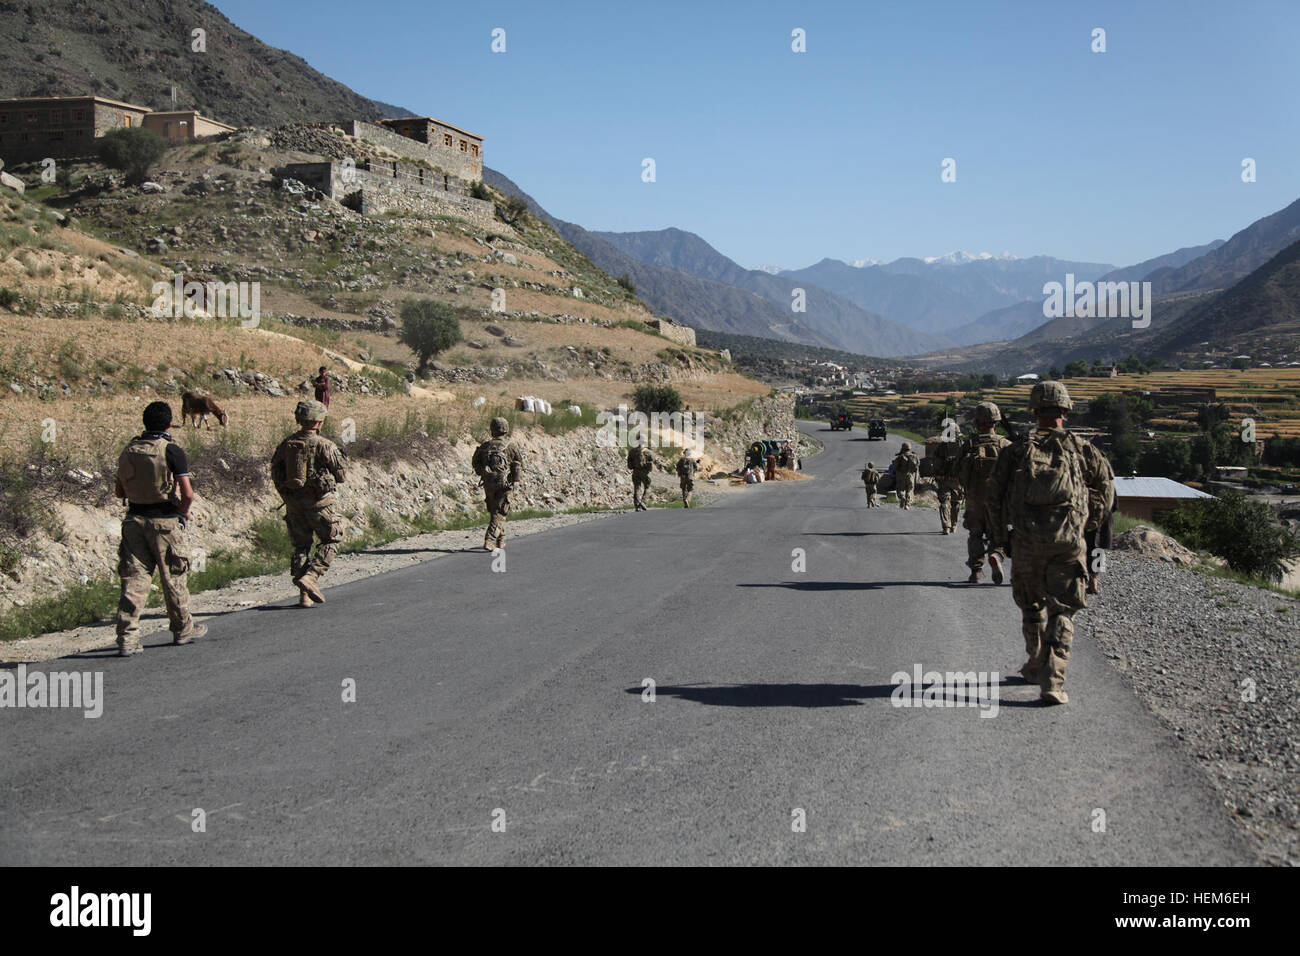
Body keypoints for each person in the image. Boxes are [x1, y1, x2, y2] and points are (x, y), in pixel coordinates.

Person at [987, 381, 1115, 705]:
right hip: (1068, 543)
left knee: (1031, 608)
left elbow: (994, 497)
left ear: (1034, 411)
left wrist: (1002, 540)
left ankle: (1034, 661)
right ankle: (1053, 683)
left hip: (1027, 543)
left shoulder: (1015, 450)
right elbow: (1107, 493)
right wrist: (1088, 522)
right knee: (1064, 611)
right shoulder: (1084, 449)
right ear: (1066, 410)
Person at [114, 401, 206, 655]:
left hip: (134, 520)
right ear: (169, 423)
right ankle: (182, 629)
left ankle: (127, 638)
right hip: (164, 522)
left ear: (145, 422)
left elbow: (119, 490)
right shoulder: (171, 450)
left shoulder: (129, 449)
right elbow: (188, 493)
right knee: (173, 578)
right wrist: (182, 512)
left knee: (133, 580)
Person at [270, 400, 348, 607]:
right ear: (319, 421)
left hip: (294, 505)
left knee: (301, 546)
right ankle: (312, 576)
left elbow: (275, 472)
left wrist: (287, 496)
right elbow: (341, 476)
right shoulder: (324, 445)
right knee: (333, 539)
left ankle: (304, 595)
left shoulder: (286, 444)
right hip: (320, 504)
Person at [955, 402, 1011, 584]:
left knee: (975, 534)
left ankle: (976, 572)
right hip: (1000, 499)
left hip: (975, 499)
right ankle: (996, 554)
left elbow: (958, 472)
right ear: (996, 422)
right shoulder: (1006, 445)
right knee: (999, 534)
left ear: (976, 422)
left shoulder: (969, 445)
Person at [472, 416, 524, 550]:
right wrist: (516, 480)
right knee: (500, 512)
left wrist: (484, 473)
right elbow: (518, 464)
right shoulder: (511, 446)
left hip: (488, 484)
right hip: (505, 484)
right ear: (506, 429)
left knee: (495, 511)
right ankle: (489, 540)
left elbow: (475, 462)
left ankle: (501, 538)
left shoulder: (485, 446)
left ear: (492, 429)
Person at [934, 441, 964, 535]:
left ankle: (946, 527)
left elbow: (935, 462)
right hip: (957, 481)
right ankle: (953, 526)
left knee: (944, 502)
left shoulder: (942, 446)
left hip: (943, 480)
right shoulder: (963, 445)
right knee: (956, 504)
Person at [627, 439, 655, 511]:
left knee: (637, 488)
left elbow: (629, 462)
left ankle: (637, 505)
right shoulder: (648, 451)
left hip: (636, 471)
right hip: (645, 472)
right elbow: (653, 459)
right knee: (647, 487)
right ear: (645, 442)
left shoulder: (632, 451)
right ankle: (643, 501)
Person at [892, 442, 920, 509]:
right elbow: (917, 465)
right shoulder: (914, 456)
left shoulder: (900, 457)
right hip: (910, 476)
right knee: (909, 490)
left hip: (901, 476)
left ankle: (902, 497)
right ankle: (907, 504)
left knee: (900, 489)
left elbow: (895, 466)